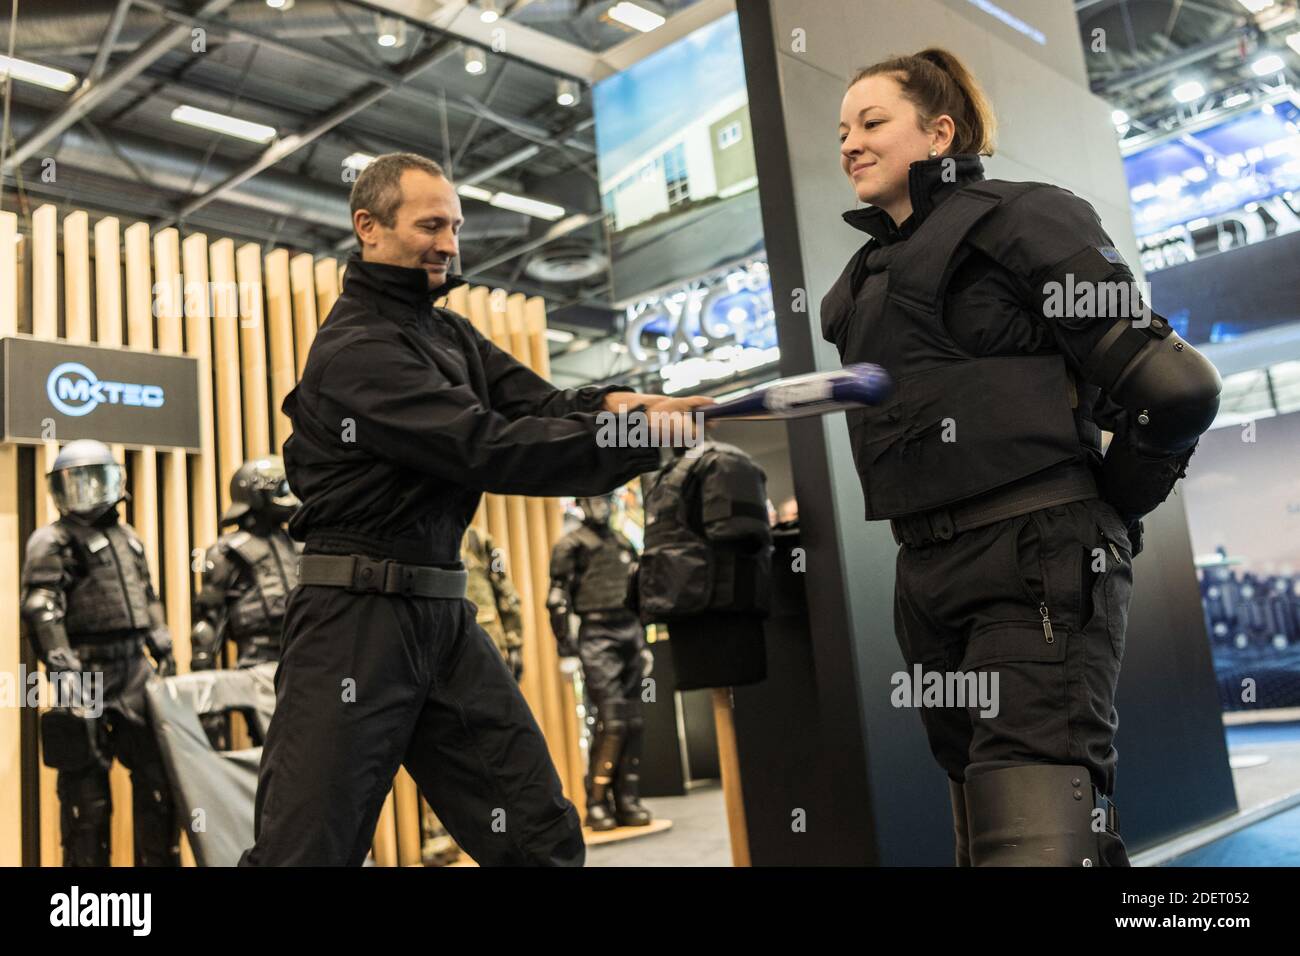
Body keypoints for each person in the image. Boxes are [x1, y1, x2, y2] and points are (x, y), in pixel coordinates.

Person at [238, 152, 709, 867]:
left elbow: (540, 403)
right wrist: (632, 437)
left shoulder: (446, 332)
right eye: (430, 225)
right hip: (355, 622)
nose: (449, 243)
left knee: (538, 839)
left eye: (455, 226)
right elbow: (484, 445)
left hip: (445, 618)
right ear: (368, 227)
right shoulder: (355, 350)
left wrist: (615, 402)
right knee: (304, 855)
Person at [821, 49, 1221, 866]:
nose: (850, 144)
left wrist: (1109, 507)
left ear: (940, 131)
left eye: (872, 123)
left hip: (1037, 559)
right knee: (994, 830)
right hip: (926, 576)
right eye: (842, 131)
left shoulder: (1026, 218)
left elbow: (1176, 390)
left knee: (1034, 833)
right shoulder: (862, 283)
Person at [19, 439, 180, 866]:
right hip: (83, 673)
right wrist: (61, 669)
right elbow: (41, 607)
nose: (84, 492)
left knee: (162, 783)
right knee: (85, 800)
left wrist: (160, 639)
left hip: (134, 669)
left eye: (93, 480)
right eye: (74, 483)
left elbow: (148, 594)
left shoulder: (129, 539)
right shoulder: (51, 540)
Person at [547, 494, 651, 830]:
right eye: (593, 499)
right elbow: (557, 598)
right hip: (596, 634)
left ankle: (627, 798)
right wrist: (566, 647)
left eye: (605, 498)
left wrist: (644, 638)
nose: (600, 506)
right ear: (581, 503)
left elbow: (639, 592)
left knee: (634, 721)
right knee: (613, 722)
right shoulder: (571, 544)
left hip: (630, 631)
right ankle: (596, 799)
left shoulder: (622, 541)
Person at [191, 456, 302, 748]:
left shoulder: (300, 545)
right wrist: (206, 696)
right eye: (279, 488)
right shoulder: (226, 552)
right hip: (259, 663)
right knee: (277, 753)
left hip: (307, 659)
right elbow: (206, 623)